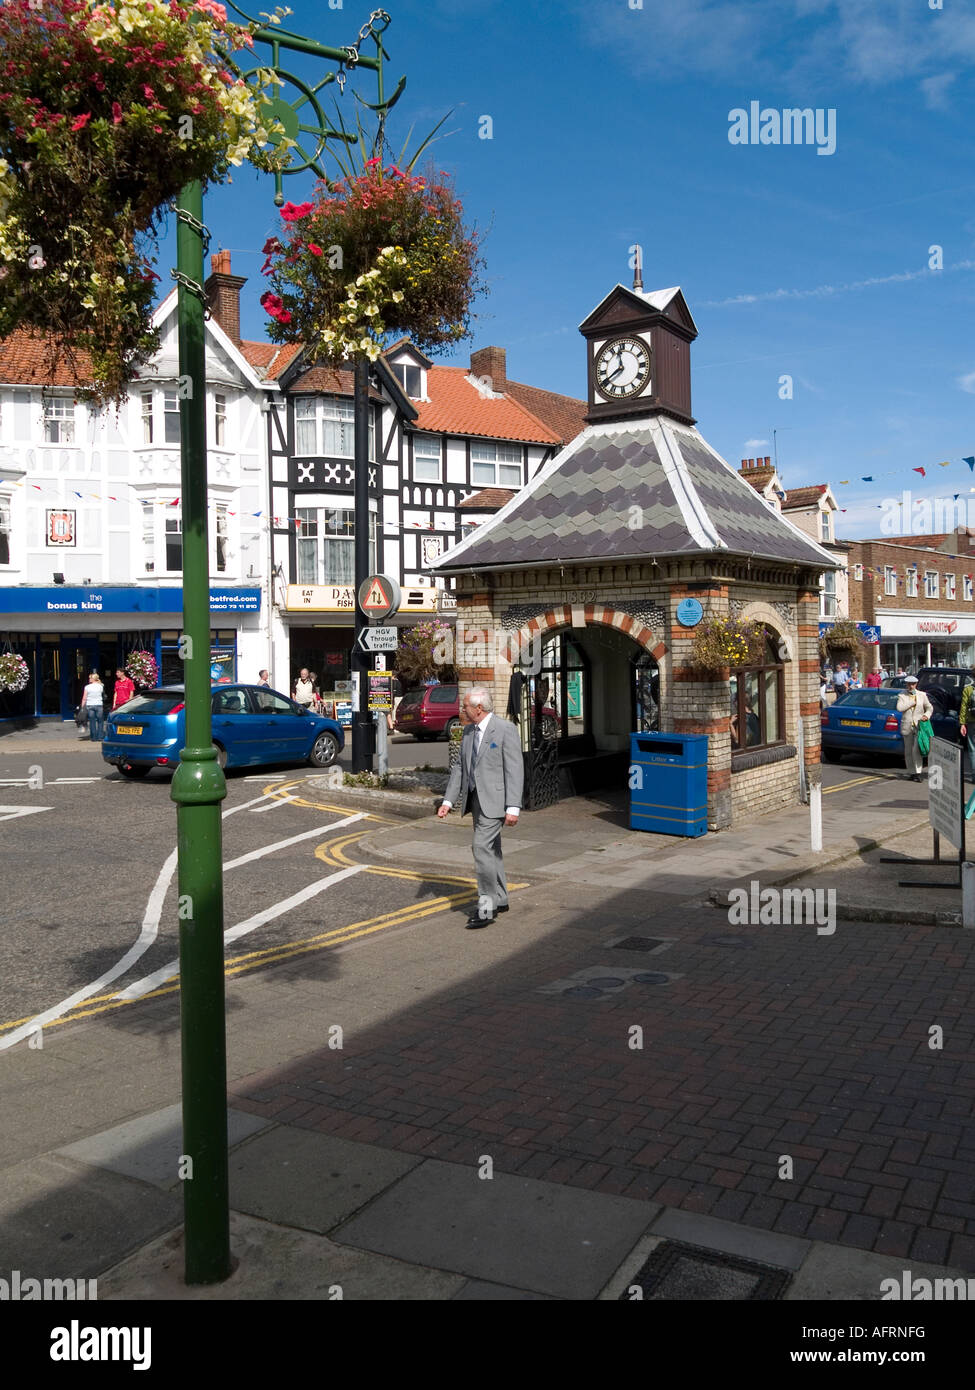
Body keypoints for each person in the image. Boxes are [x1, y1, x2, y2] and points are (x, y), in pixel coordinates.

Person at [437, 686, 524, 929]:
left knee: (480, 848)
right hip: (475, 802)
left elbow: (514, 769)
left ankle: (487, 907)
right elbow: (460, 769)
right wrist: (447, 801)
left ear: (478, 708)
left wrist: (513, 806)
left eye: (465, 706)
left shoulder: (505, 729)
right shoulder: (467, 732)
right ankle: (501, 898)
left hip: (497, 802)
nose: (461, 710)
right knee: (492, 850)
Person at [896, 675, 934, 782]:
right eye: (908, 684)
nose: (910, 686)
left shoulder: (922, 695)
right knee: (908, 751)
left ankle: (918, 773)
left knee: (916, 750)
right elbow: (899, 708)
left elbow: (929, 707)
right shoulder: (902, 695)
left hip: (919, 727)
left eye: (912, 684)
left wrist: (926, 715)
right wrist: (912, 702)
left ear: (916, 684)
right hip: (907, 726)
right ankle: (911, 773)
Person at [81, 670, 105, 741]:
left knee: (92, 721)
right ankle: (100, 736)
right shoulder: (101, 686)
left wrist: (82, 707)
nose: (89, 679)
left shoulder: (87, 687)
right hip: (99, 705)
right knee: (100, 721)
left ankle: (93, 737)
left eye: (90, 678)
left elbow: (84, 698)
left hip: (90, 705)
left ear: (93, 679)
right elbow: (101, 685)